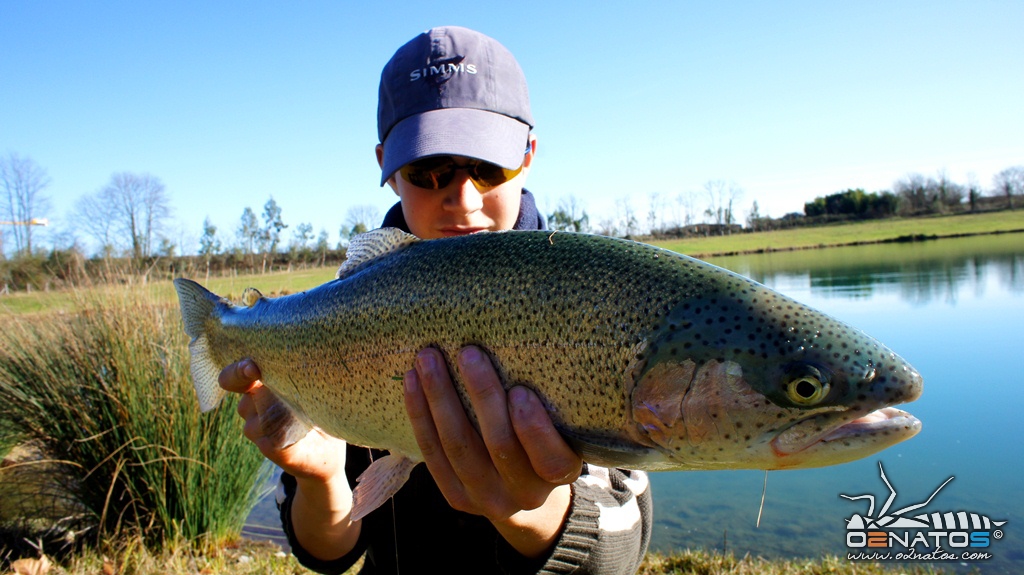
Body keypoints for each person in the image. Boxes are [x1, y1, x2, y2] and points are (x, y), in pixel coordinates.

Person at [219, 26, 652, 574]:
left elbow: (618, 556)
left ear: (528, 154)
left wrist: (534, 510)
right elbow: (327, 551)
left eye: (488, 166)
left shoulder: (589, 302)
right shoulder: (342, 323)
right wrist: (321, 476)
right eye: (428, 171)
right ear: (388, 169)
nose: (462, 197)